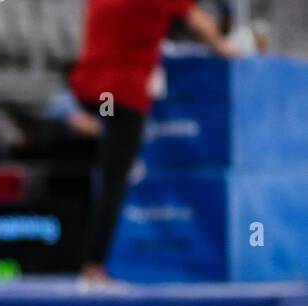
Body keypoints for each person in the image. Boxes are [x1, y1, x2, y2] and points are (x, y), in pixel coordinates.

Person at [66, 0, 240, 283]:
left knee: (106, 163)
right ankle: (93, 268)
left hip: (88, 88)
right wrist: (221, 46)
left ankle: (87, 121)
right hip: (123, 93)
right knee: (114, 182)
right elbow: (201, 23)